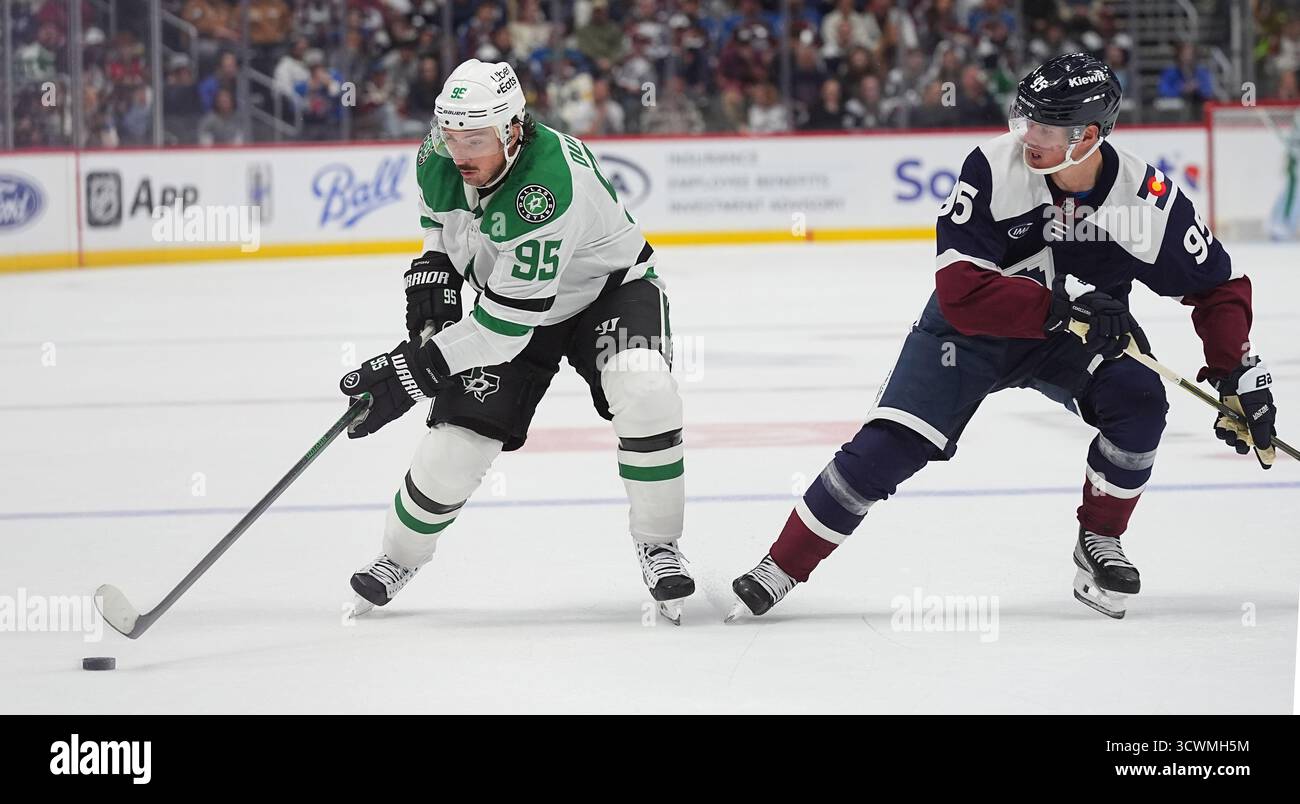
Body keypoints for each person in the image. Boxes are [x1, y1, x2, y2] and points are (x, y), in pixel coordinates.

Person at [728, 53, 1280, 621]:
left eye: (1044, 127)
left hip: (1073, 334)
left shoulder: (1147, 197)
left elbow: (1219, 285)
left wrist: (1237, 371)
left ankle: (1100, 540)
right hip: (974, 328)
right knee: (888, 448)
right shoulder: (992, 167)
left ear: (1087, 135)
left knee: (1139, 400)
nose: (1026, 136)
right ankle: (781, 566)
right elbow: (960, 290)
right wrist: (1062, 306)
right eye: (1025, 120)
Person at [340, 60, 693, 623]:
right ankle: (397, 558)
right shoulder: (438, 154)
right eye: (452, 135)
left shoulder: (545, 190)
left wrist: (414, 371)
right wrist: (435, 261)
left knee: (645, 388)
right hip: (518, 301)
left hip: (605, 293)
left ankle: (659, 543)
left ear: (512, 130)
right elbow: (442, 222)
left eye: (475, 138)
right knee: (457, 444)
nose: (460, 153)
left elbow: (504, 331)